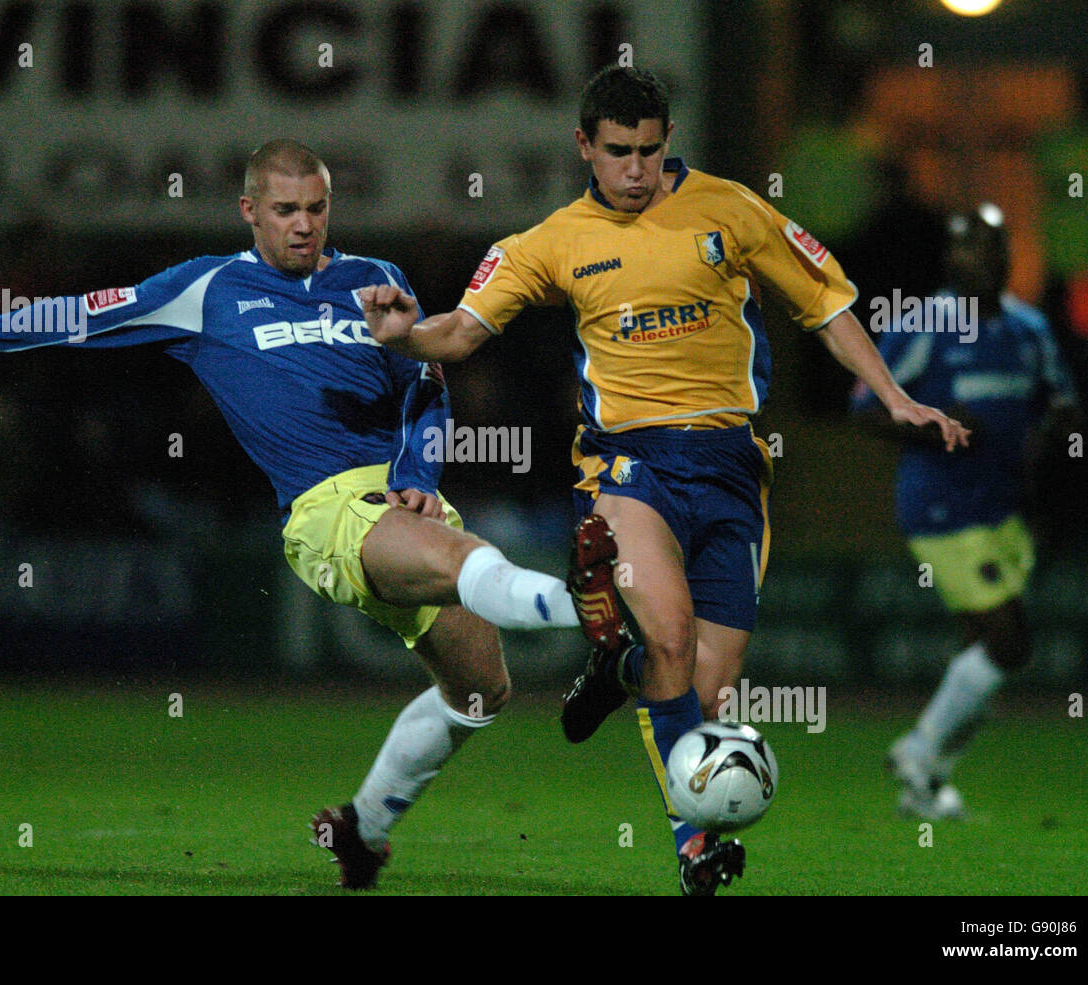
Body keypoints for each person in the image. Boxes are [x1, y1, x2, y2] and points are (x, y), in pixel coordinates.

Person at [0, 138, 587, 891]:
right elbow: (75, 316)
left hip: (406, 498)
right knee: (461, 558)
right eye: (285, 210)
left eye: (316, 208)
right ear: (250, 210)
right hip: (326, 511)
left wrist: (417, 469)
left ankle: (361, 829)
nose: (303, 225)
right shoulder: (205, 290)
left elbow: (427, 385)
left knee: (480, 690)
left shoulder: (374, 279)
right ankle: (591, 607)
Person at [359, 67, 969, 895]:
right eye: (619, 153)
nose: (637, 170)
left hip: (731, 465)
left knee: (705, 688)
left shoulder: (732, 209)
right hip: (628, 463)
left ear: (667, 140)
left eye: (650, 150)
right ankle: (694, 846)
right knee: (674, 644)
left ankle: (618, 667)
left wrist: (895, 397)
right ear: (585, 146)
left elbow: (824, 302)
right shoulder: (550, 242)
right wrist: (403, 337)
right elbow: (462, 333)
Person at [851, 203, 1079, 819]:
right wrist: (936, 429)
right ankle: (917, 749)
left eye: (991, 247)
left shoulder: (1029, 329)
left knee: (983, 654)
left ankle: (923, 787)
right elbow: (867, 405)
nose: (980, 260)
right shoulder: (925, 324)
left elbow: (1061, 403)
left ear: (1008, 255)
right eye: (968, 248)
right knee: (1010, 640)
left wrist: (1048, 439)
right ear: (951, 260)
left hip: (1005, 508)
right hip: (940, 506)